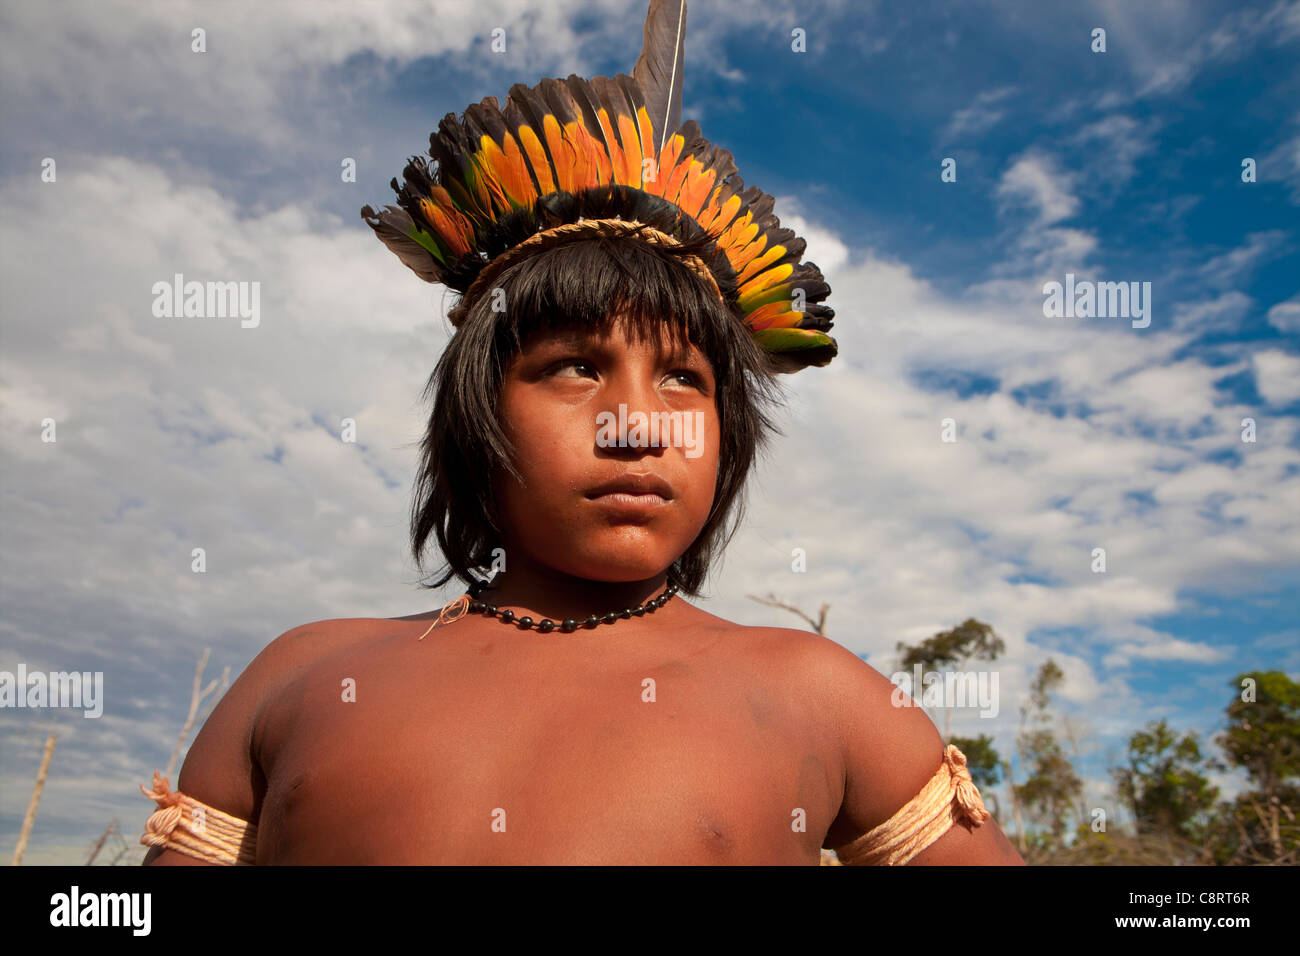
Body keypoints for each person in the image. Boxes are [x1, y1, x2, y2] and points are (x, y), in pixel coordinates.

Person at [141, 0, 1023, 866]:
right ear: (478, 410)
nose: (638, 423)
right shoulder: (300, 679)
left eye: (685, 379)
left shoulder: (824, 695)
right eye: (572, 367)